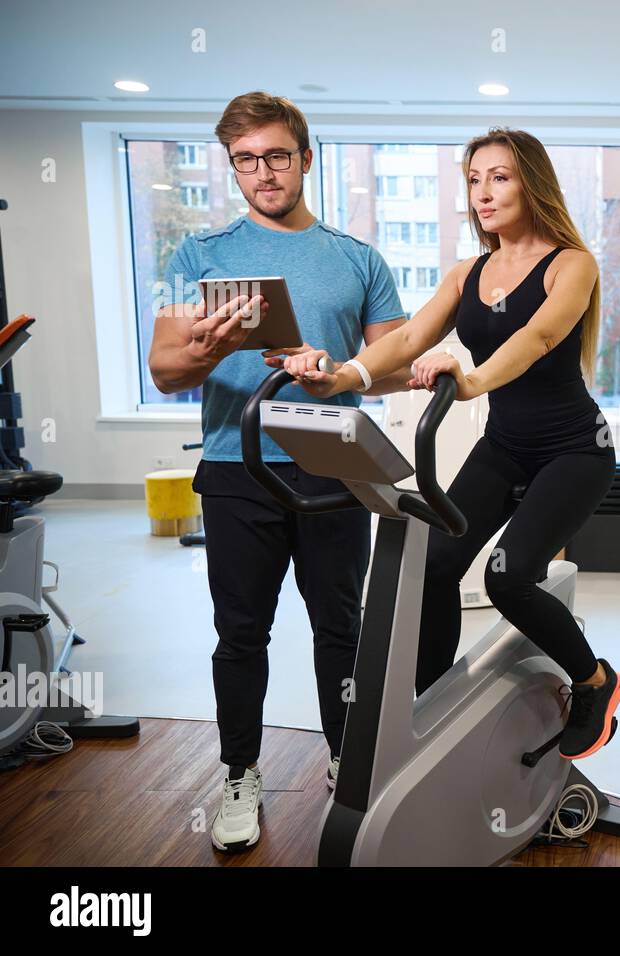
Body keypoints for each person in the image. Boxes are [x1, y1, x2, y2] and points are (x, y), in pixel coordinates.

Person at [281, 127, 620, 762]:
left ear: (532, 182)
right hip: (507, 447)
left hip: (575, 451)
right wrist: (344, 376)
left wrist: (472, 380)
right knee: (435, 565)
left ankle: (595, 681)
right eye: (473, 180)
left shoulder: (572, 262)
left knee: (508, 577)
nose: (483, 193)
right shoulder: (467, 272)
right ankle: (431, 700)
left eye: (499, 177)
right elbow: (409, 338)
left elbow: (540, 338)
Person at [148, 92, 409, 852]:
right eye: (246, 160)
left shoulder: (359, 259)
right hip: (238, 467)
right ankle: (239, 773)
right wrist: (211, 348)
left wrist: (340, 370)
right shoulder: (200, 256)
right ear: (232, 165)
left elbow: (388, 369)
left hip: (334, 462)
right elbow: (165, 370)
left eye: (276, 155)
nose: (263, 172)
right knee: (241, 633)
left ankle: (345, 758)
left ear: (305, 156)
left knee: (341, 627)